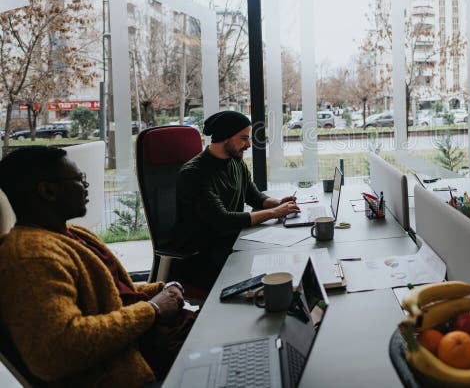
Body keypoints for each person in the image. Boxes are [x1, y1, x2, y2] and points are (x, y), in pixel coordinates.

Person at [0, 146, 192, 386]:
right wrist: (153, 309)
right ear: (48, 190)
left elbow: (111, 293)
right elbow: (57, 352)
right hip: (131, 372)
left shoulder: (72, 234)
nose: (86, 186)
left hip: (151, 347)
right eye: (79, 179)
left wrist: (164, 290)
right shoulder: (30, 257)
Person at [175, 110, 299, 288]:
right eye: (243, 138)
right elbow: (222, 220)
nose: (249, 144)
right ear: (225, 137)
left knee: (283, 257)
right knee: (270, 269)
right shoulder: (193, 174)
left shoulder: (236, 162)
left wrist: (280, 204)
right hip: (203, 253)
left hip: (231, 241)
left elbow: (255, 197)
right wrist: (274, 213)